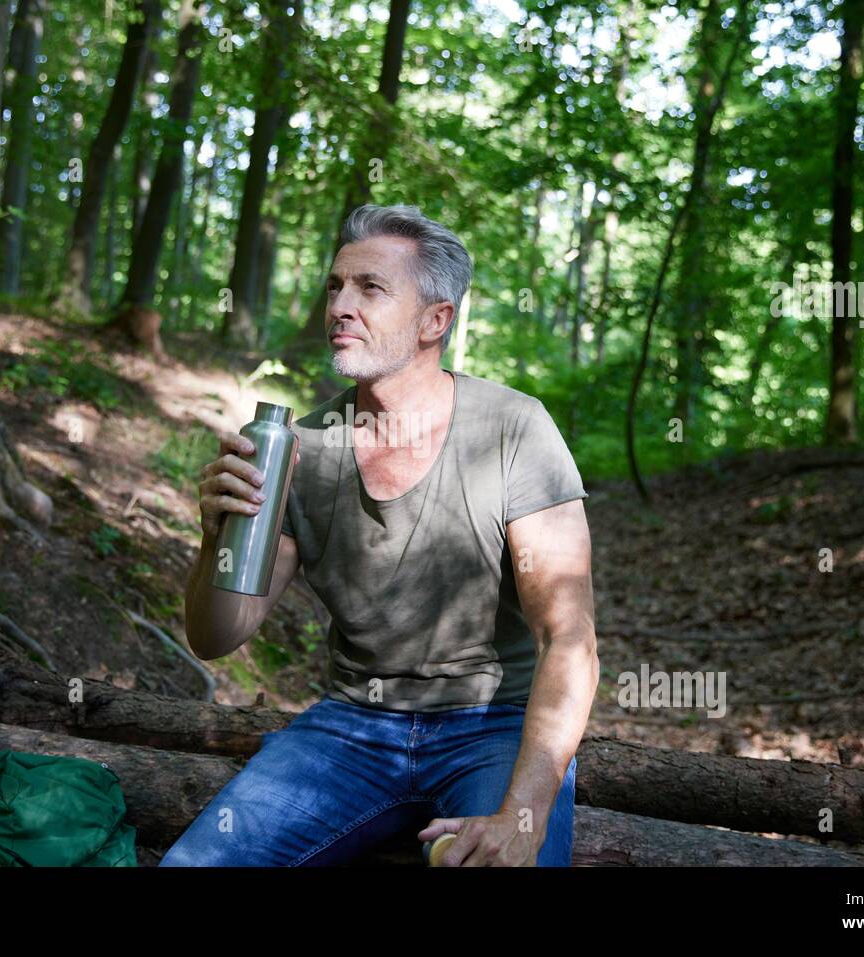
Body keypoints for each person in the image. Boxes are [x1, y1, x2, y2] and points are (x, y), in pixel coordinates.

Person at [160, 204, 599, 867]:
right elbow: (216, 636)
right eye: (335, 286)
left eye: (370, 288)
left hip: (495, 724)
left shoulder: (515, 430)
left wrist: (525, 810)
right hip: (353, 727)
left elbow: (568, 636)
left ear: (435, 320)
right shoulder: (300, 449)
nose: (339, 304)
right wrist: (214, 537)